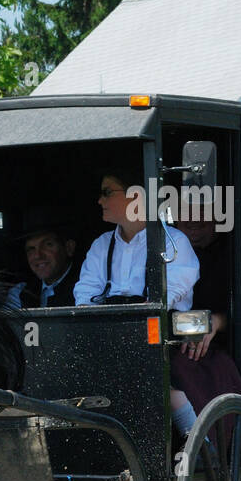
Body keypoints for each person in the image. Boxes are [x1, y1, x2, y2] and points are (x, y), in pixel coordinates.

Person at [74, 168, 202, 435]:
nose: (100, 200)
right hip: (109, 336)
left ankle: (198, 444)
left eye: (107, 192)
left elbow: (169, 291)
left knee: (162, 379)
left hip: (160, 337)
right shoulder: (101, 245)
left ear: (135, 197)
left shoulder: (174, 241)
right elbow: (85, 294)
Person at [170, 204, 241, 409]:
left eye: (201, 210)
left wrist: (218, 321)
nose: (193, 220)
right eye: (185, 211)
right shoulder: (165, 254)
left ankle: (202, 437)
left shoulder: (235, 255)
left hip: (216, 349)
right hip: (173, 343)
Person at [6, 206, 81, 309]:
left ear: (69, 248)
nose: (38, 255)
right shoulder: (21, 292)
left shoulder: (89, 288)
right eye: (31, 249)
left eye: (48, 245)